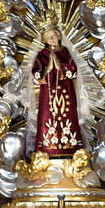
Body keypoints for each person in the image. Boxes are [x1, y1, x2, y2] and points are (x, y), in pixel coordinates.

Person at [31, 26, 84, 156]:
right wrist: (46, 70)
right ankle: (46, 148)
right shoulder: (42, 54)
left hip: (66, 89)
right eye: (49, 37)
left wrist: (60, 67)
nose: (52, 39)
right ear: (45, 40)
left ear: (59, 36)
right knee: (47, 115)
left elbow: (74, 69)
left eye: (54, 35)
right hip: (48, 92)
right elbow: (35, 73)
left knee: (68, 115)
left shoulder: (66, 52)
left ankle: (71, 148)